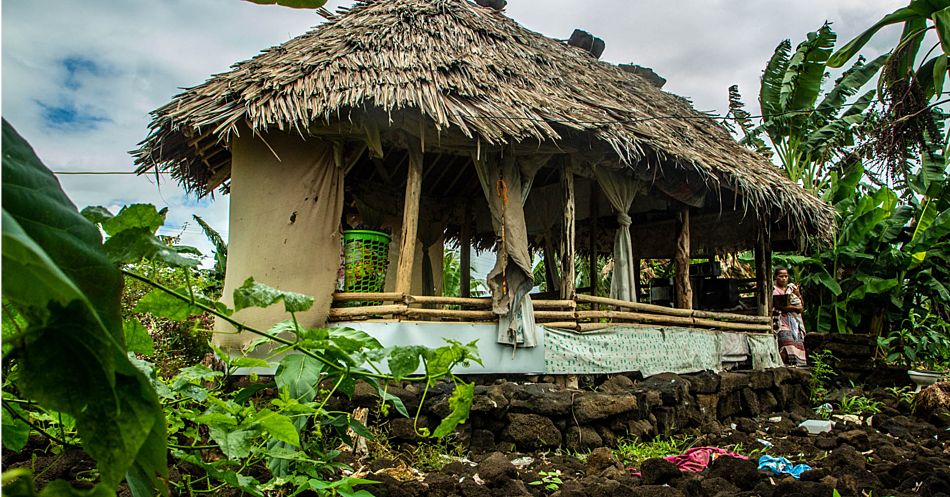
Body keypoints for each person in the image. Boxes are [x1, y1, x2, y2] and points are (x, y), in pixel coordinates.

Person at [773, 266, 807, 366]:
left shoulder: (790, 290)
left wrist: (798, 294)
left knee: (797, 345)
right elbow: (780, 306)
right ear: (775, 277)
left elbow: (800, 306)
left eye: (786, 276)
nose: (784, 278)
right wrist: (795, 309)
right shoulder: (774, 290)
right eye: (781, 276)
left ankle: (795, 366)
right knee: (786, 344)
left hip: (793, 323)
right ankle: (784, 366)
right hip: (781, 322)